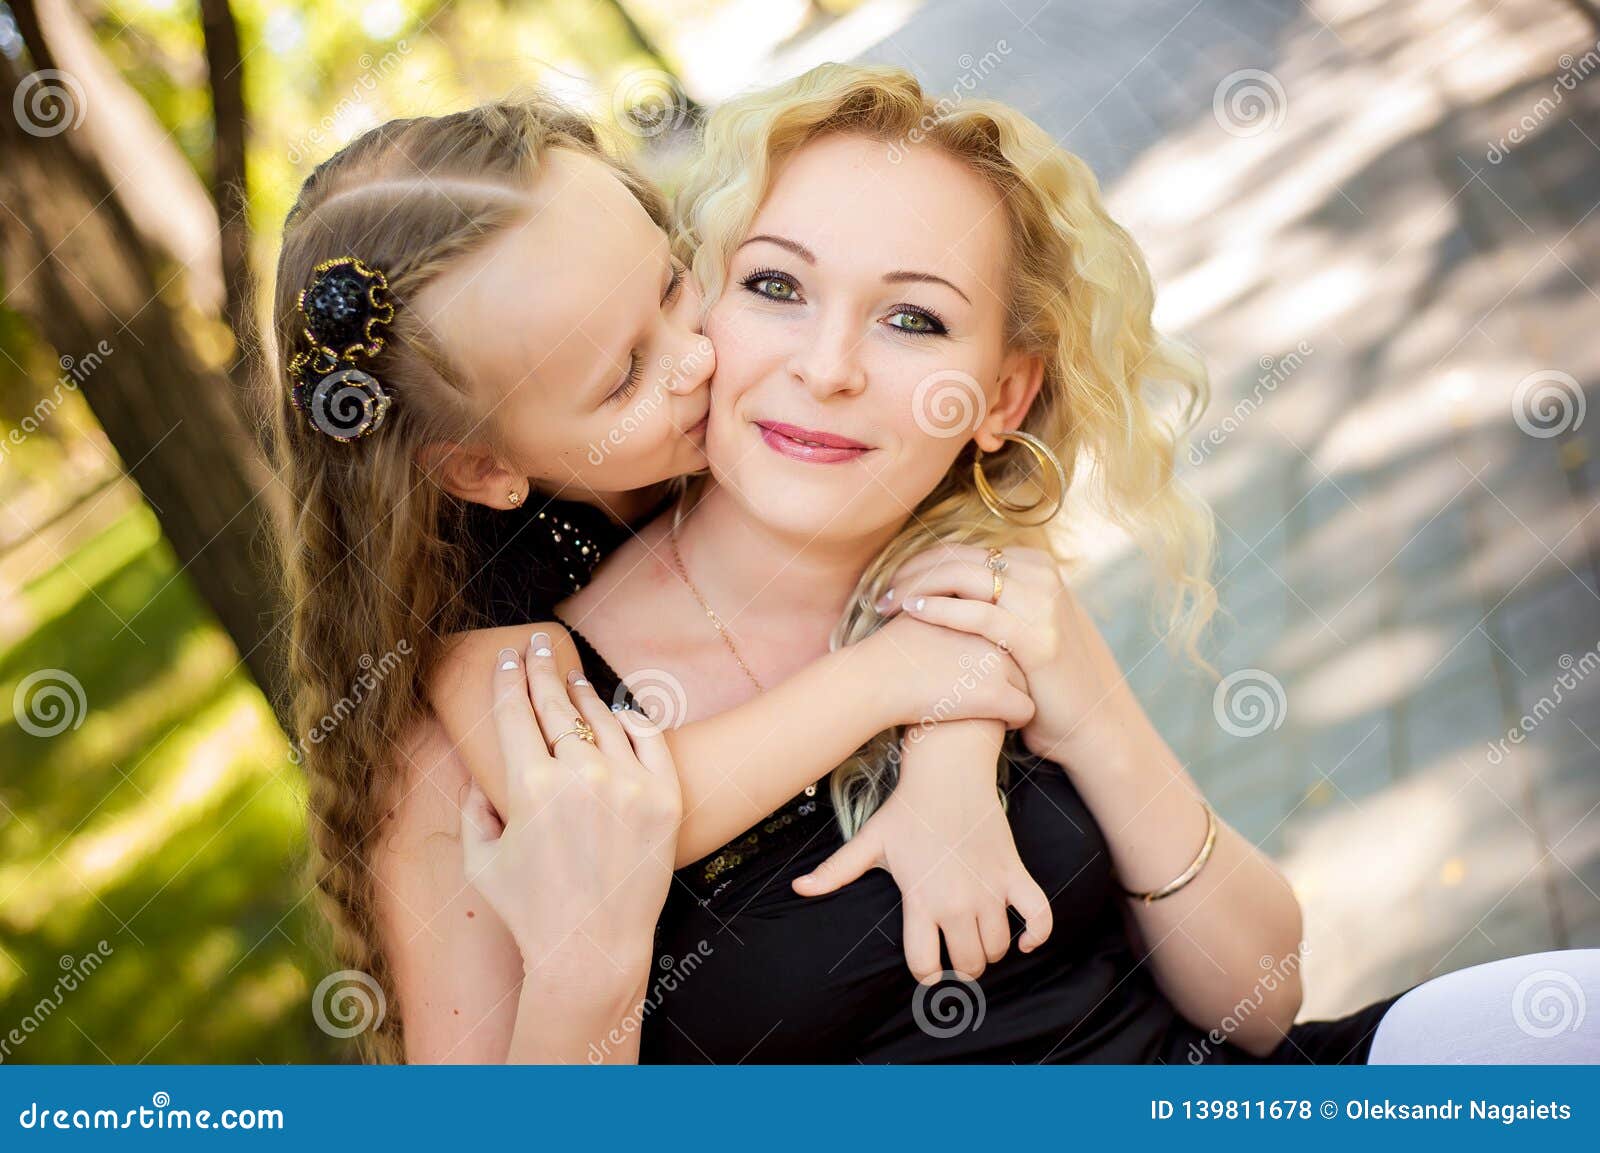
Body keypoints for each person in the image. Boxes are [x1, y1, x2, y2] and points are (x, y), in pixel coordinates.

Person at [431, 63, 1600, 1064]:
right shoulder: (522, 699)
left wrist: (1080, 704)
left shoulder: (984, 590)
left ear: (1000, 397)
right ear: (701, 315)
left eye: (914, 321)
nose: (829, 366)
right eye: (776, 287)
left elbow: (1259, 1002)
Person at [268, 94, 1051, 1064]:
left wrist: (949, 755)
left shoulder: (748, 471)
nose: (696, 360)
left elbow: (967, 552)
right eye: (623, 376)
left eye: (677, 284)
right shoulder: (476, 650)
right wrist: (884, 678)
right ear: (478, 467)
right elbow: (614, 814)